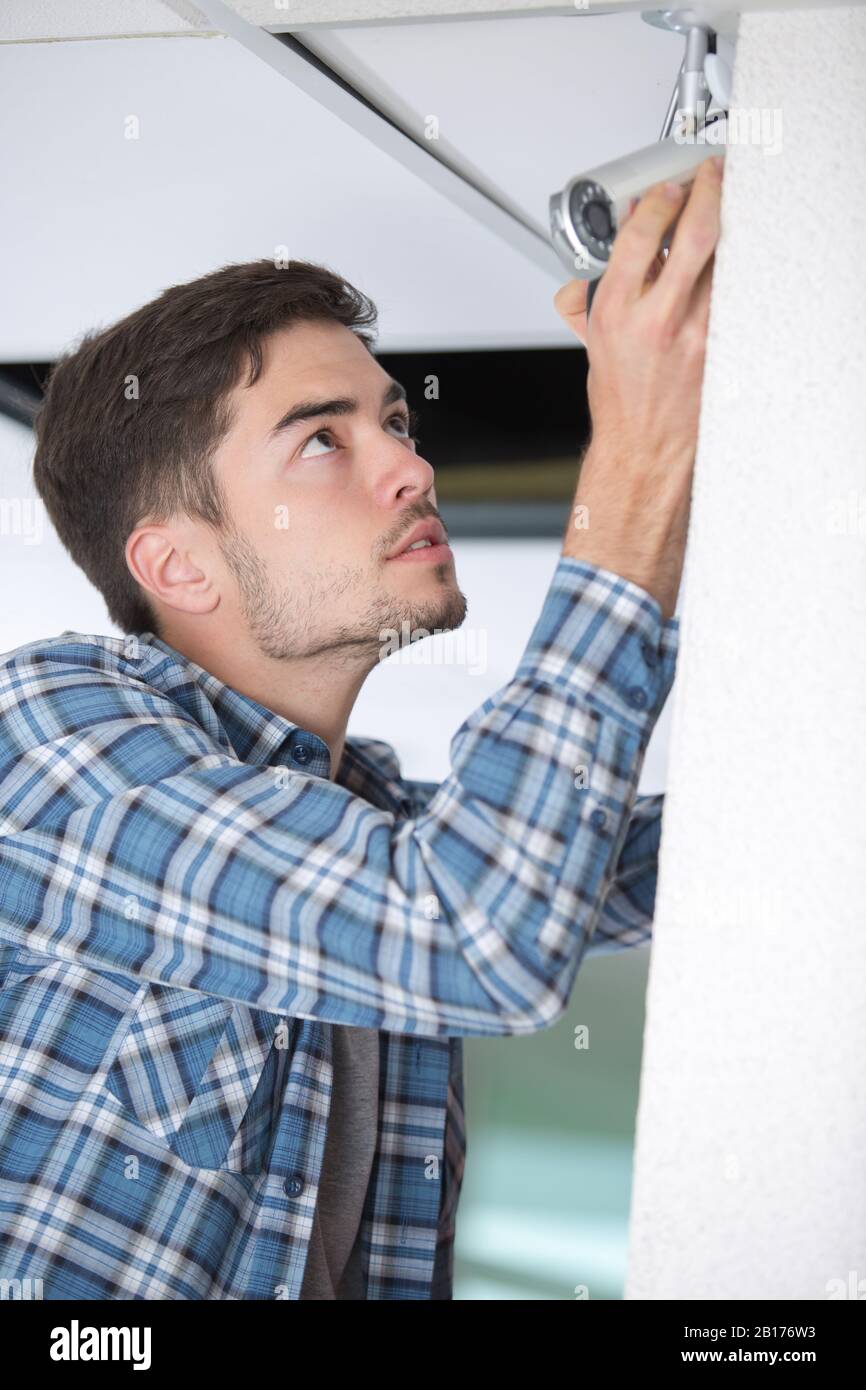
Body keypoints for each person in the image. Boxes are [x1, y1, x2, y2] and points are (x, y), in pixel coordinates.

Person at [0, 159, 723, 1300]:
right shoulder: (50, 739)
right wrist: (633, 467)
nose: (412, 466)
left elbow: (728, 865)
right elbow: (480, 933)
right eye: (323, 441)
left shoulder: (377, 830)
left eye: (392, 421)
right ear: (175, 563)